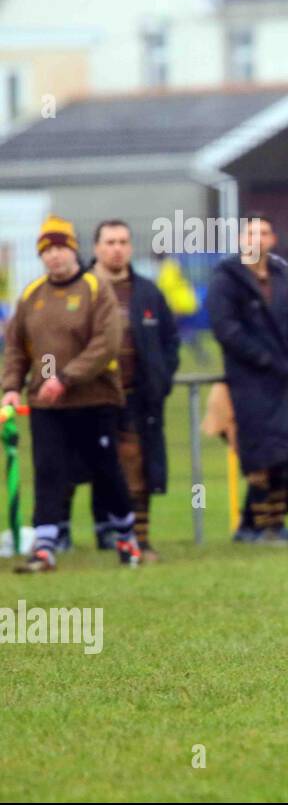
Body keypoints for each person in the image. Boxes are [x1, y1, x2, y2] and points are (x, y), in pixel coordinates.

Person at [2, 216, 140, 572]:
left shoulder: (95, 289)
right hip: (48, 404)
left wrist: (66, 377)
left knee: (106, 471)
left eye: (61, 248)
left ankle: (127, 536)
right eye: (48, 251)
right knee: (48, 472)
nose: (55, 257)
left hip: (94, 399)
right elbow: (16, 348)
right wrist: (11, 388)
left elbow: (106, 343)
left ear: (74, 251)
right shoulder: (33, 295)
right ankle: (45, 546)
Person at [206, 214, 288, 543]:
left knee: (286, 452)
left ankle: (276, 524)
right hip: (247, 380)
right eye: (250, 233)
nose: (257, 238)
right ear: (240, 240)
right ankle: (256, 526)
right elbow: (226, 329)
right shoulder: (226, 279)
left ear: (273, 240)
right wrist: (262, 358)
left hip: (282, 378)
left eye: (264, 232)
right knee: (258, 453)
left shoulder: (281, 276)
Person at [78, 220, 179, 562]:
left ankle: (140, 540)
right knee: (88, 468)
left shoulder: (147, 292)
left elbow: (170, 341)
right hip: (90, 398)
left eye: (123, 241)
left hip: (136, 397)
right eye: (109, 242)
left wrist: (161, 379)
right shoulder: (80, 290)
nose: (117, 248)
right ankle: (63, 536)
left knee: (138, 468)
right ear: (96, 248)